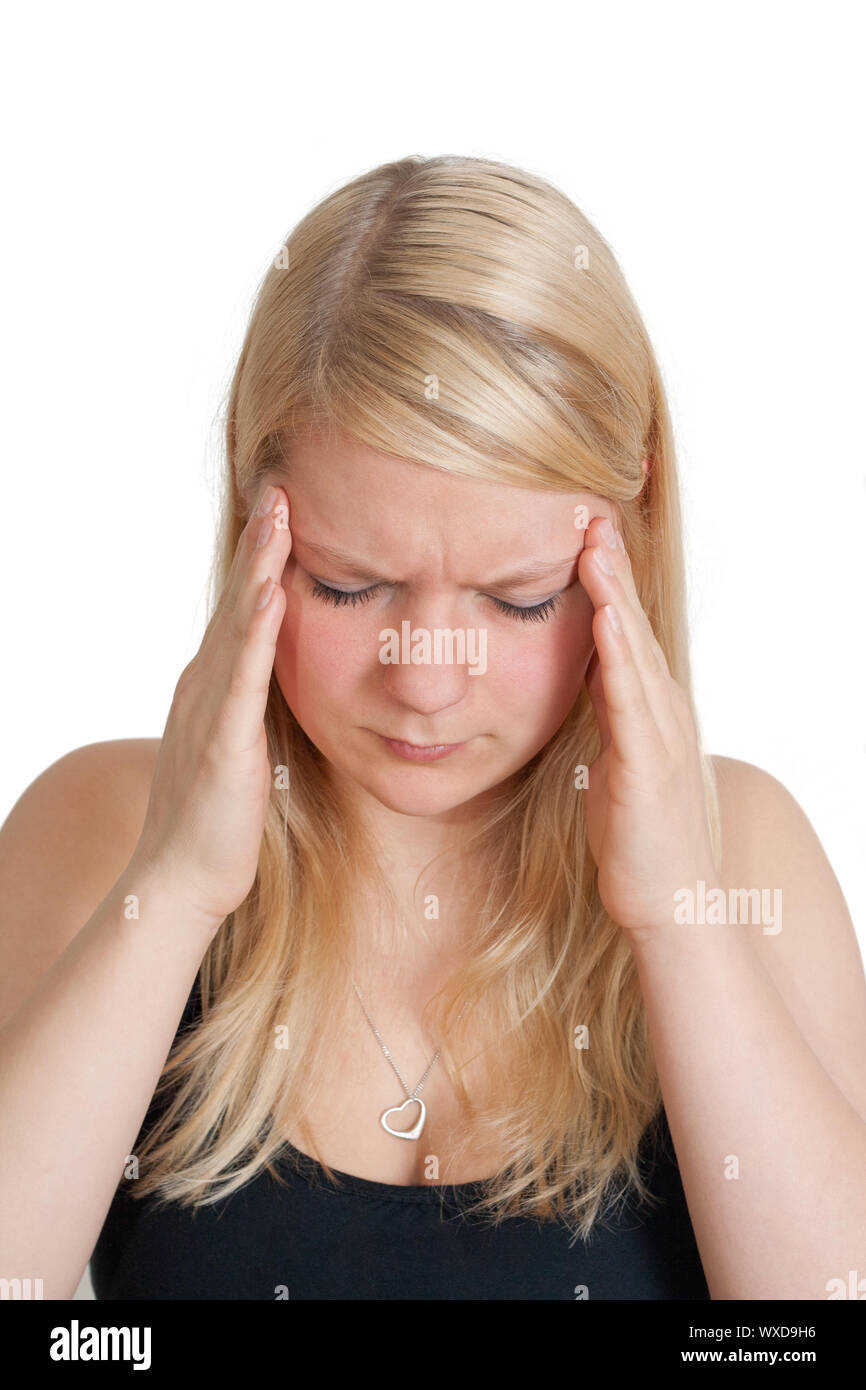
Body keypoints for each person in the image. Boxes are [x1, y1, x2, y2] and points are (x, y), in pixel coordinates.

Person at [1, 155, 864, 1302]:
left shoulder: (739, 849)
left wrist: (673, 920)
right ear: (255, 521)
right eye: (350, 585)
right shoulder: (97, 827)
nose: (425, 681)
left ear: (628, 536)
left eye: (515, 600)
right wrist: (177, 886)